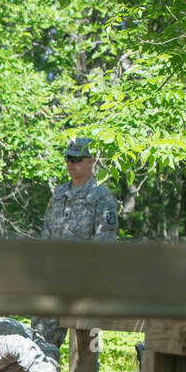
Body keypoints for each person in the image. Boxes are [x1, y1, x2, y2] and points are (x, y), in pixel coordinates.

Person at [33, 136, 120, 350]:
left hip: (85, 281)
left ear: (91, 161)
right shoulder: (59, 193)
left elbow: (105, 244)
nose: (71, 163)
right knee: (40, 342)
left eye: (77, 159)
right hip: (52, 279)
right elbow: (47, 233)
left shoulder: (102, 196)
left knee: (86, 346)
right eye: (68, 159)